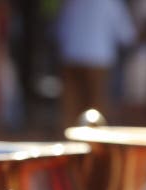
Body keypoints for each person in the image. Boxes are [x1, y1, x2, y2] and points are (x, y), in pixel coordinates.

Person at [56, 0, 136, 128]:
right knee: (97, 108)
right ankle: (95, 144)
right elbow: (127, 35)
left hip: (71, 55)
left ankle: (71, 139)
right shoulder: (110, 2)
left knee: (72, 109)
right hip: (98, 58)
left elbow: (59, 29)